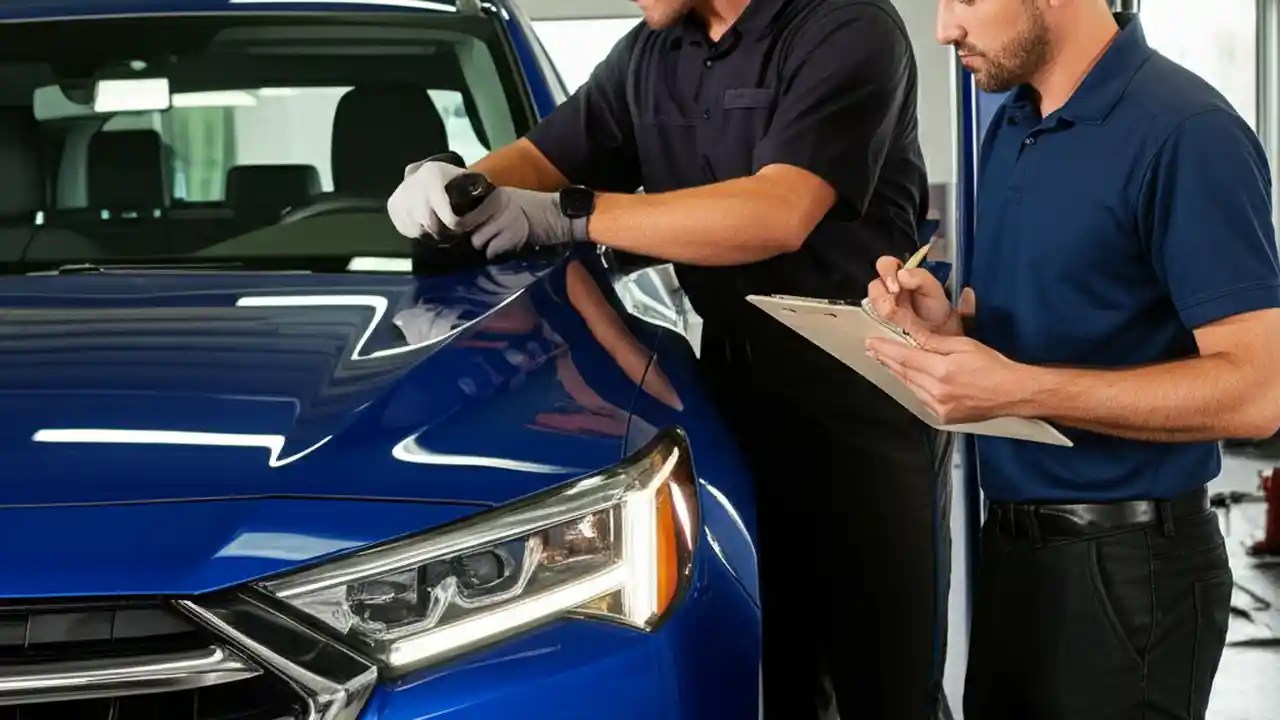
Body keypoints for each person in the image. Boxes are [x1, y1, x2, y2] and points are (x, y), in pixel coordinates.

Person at [387, 1, 951, 717]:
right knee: (769, 674)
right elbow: (538, 161)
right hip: (734, 393)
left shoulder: (844, 27)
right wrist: (453, 190)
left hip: (863, 391)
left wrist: (571, 212)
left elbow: (779, 211)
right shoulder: (651, 55)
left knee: (883, 682)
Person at [865, 1, 1280, 718]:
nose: (943, 29)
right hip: (1015, 556)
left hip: (1130, 568)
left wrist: (1021, 389)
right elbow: (1044, 327)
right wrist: (944, 327)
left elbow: (1259, 390)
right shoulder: (1012, 127)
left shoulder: (1188, 133)